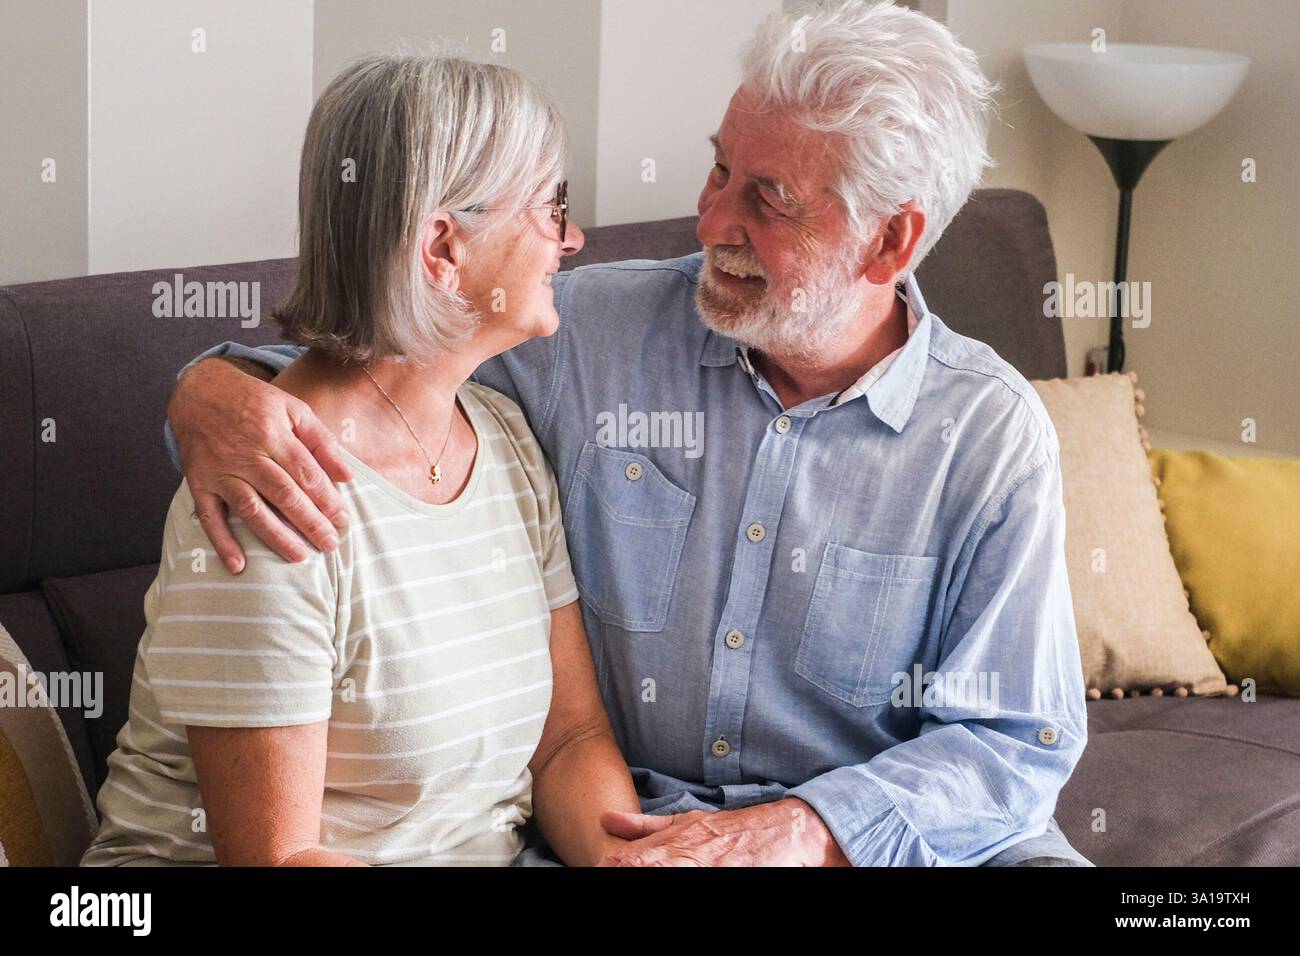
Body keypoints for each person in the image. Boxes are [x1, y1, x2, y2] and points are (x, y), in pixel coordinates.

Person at [165, 1, 1091, 866]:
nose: (713, 219)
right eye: (719, 167)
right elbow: (376, 358)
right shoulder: (591, 336)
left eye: (768, 200)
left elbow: (1017, 742)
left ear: (889, 243)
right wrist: (207, 391)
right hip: (635, 828)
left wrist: (802, 830)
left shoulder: (985, 436)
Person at [82, 52, 639, 867]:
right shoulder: (273, 486)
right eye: (552, 207)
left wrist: (631, 861)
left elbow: (570, 739)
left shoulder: (507, 440)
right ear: (444, 248)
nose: (572, 238)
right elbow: (279, 858)